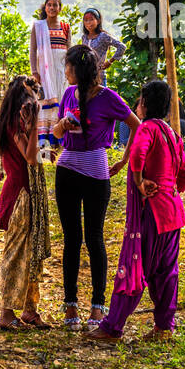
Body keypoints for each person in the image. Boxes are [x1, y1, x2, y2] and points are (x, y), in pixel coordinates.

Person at [90, 78, 185, 342]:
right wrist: (169, 192)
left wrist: (139, 181)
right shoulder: (172, 133)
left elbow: (137, 155)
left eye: (139, 100)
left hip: (152, 214)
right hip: (173, 214)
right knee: (167, 272)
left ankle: (112, 327)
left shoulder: (147, 129)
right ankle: (163, 328)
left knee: (135, 266)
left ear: (144, 104)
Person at [52, 44, 140, 331]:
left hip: (96, 173)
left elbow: (138, 127)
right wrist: (62, 127)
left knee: (94, 239)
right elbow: (55, 133)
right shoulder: (68, 94)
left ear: (78, 69)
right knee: (71, 240)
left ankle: (98, 306)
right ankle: (70, 305)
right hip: (66, 170)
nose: (65, 72)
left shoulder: (108, 97)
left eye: (67, 66)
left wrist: (125, 160)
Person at [0, 76, 52, 330]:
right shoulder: (15, 124)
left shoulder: (23, 123)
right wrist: (37, 121)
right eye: (31, 100)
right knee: (16, 254)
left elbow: (40, 155)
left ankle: (30, 310)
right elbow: (31, 158)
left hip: (31, 194)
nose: (33, 104)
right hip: (20, 197)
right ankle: (6, 314)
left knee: (32, 254)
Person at [29, 0, 72, 162]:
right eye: (49, 5)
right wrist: (34, 71)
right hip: (44, 72)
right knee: (45, 104)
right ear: (45, 8)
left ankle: (61, 142)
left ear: (60, 8)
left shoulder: (65, 27)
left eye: (55, 5)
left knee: (62, 101)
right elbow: (33, 50)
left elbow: (69, 50)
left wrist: (70, 70)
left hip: (62, 71)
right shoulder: (38, 27)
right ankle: (45, 145)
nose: (52, 8)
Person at [80, 7, 126, 75]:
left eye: (91, 19)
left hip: (99, 75)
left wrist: (110, 62)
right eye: (86, 20)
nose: (88, 22)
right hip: (86, 75)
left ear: (98, 21)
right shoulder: (84, 37)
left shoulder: (103, 36)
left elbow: (122, 47)